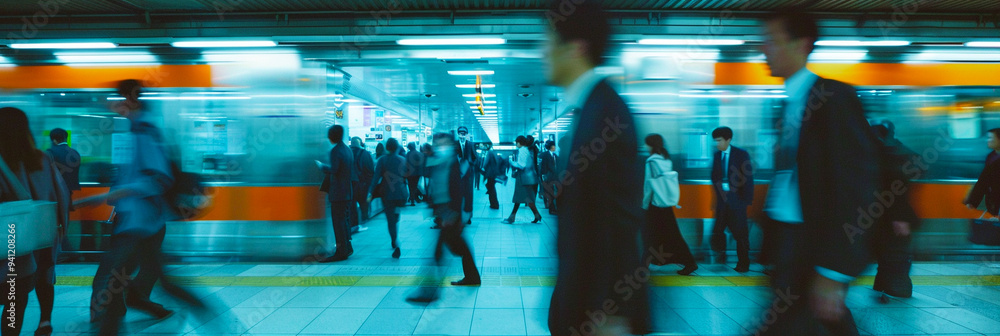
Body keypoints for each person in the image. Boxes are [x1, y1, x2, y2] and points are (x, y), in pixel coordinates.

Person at [757, 9, 880, 336]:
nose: (762, 48)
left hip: (813, 244)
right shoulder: (787, 104)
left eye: (771, 40)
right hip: (788, 241)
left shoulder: (833, 98)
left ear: (801, 44)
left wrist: (834, 270)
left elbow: (856, 184)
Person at [543, 2, 650, 335]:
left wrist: (614, 310)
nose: (542, 52)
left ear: (575, 48)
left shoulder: (604, 116)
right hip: (583, 297)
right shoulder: (589, 108)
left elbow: (618, 220)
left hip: (599, 308)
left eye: (548, 43)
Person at [75, 79, 204, 335]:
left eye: (116, 97)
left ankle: (108, 325)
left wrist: (104, 197)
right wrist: (115, 195)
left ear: (130, 100)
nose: (111, 102)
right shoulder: (134, 129)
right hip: (140, 222)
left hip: (139, 223)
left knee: (108, 281)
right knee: (147, 282)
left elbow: (158, 178)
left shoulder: (144, 130)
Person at [0, 107, 70, 336]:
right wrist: (60, 230)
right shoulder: (40, 158)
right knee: (19, 298)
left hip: (6, 242)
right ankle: (43, 322)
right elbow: (61, 195)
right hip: (33, 240)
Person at [407, 133, 481, 303]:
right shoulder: (438, 162)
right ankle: (472, 277)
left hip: (451, 213)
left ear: (451, 145)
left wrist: (456, 213)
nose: (440, 146)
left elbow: (460, 190)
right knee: (460, 248)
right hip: (444, 212)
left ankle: (429, 292)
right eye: (437, 143)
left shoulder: (455, 163)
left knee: (438, 252)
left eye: (444, 143)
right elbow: (434, 186)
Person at [869, 121, 921, 299]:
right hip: (887, 215)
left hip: (893, 216)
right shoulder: (894, 147)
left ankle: (897, 289)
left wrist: (900, 217)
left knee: (894, 254)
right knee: (890, 254)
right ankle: (885, 287)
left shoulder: (888, 150)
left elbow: (897, 184)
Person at [643, 134, 698, 276]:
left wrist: (644, 205)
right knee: (671, 235)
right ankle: (687, 262)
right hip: (667, 204)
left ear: (650, 145)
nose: (645, 147)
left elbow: (648, 186)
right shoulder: (666, 160)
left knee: (651, 234)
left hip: (655, 205)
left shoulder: (651, 162)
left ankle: (643, 266)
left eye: (646, 144)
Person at [709, 126, 754, 273]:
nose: (717, 144)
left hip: (737, 201)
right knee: (718, 230)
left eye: (719, 140)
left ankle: (743, 263)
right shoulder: (717, 155)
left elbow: (747, 178)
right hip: (722, 201)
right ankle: (720, 257)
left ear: (728, 139)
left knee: (740, 234)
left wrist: (745, 201)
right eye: (715, 141)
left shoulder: (741, 154)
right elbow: (714, 176)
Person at [318, 125, 356, 262]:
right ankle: (347, 247)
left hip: (338, 193)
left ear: (332, 136)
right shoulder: (347, 149)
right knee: (344, 222)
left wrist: (321, 166)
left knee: (338, 223)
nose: (328, 138)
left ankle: (341, 252)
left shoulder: (335, 151)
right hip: (347, 192)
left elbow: (334, 169)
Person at [368, 138, 408, 259]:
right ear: (397, 147)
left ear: (387, 148)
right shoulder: (403, 160)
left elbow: (376, 178)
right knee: (396, 216)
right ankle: (395, 236)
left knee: (390, 219)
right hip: (400, 194)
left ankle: (395, 241)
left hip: (387, 194)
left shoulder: (382, 160)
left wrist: (370, 192)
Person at [503, 136, 542, 224]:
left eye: (517, 142)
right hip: (528, 178)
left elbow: (522, 165)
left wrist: (511, 162)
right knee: (526, 198)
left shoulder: (522, 150)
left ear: (519, 142)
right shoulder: (528, 150)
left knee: (520, 198)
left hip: (523, 179)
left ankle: (512, 218)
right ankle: (536, 215)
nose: (516, 144)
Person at [964, 128, 1000, 217]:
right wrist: (973, 200)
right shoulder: (991, 157)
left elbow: (983, 180)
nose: (988, 140)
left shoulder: (993, 159)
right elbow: (984, 180)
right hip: (994, 199)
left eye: (991, 138)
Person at [349, 137, 374, 232]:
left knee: (352, 205)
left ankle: (354, 224)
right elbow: (370, 170)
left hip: (350, 184)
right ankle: (363, 220)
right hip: (363, 184)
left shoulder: (347, 153)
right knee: (364, 203)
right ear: (360, 143)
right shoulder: (365, 154)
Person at [456, 126, 477, 224]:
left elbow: (476, 158)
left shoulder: (471, 145)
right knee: (458, 195)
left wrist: (470, 163)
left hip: (468, 175)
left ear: (467, 135)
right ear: (458, 134)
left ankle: (468, 217)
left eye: (464, 134)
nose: (462, 135)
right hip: (457, 176)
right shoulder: (454, 145)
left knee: (468, 195)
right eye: (460, 133)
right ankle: (459, 216)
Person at [480, 143, 502, 209]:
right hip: (493, 174)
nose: (484, 146)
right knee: (491, 188)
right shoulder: (494, 152)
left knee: (491, 189)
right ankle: (494, 204)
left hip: (489, 174)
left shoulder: (489, 152)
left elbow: (485, 163)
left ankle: (494, 204)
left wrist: (483, 168)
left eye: (485, 145)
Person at [539, 140, 558, 214]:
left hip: (554, 177)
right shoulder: (543, 155)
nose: (555, 147)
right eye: (554, 146)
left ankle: (552, 207)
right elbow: (541, 167)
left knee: (552, 192)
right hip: (546, 177)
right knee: (549, 192)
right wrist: (542, 176)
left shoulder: (555, 156)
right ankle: (551, 209)